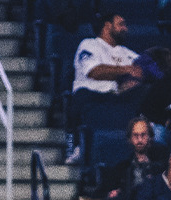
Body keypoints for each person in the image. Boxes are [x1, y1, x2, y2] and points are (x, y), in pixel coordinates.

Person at [66, 12, 156, 164]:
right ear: (107, 26)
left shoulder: (125, 51)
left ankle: (152, 139)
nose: (125, 28)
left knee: (149, 90)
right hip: (91, 95)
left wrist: (136, 80)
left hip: (117, 97)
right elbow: (94, 72)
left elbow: (150, 70)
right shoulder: (89, 44)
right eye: (121, 24)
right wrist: (126, 70)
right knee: (80, 97)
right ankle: (77, 146)